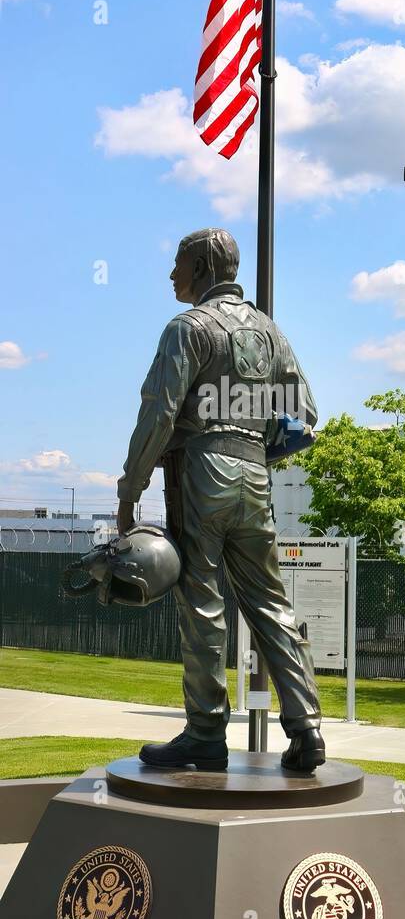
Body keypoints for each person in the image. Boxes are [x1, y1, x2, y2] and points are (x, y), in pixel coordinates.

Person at [117, 227, 325, 773]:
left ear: (205, 267)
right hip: (254, 478)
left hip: (201, 472)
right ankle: (307, 728)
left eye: (179, 264)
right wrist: (257, 448)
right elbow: (307, 416)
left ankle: (206, 733)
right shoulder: (272, 332)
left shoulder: (187, 328)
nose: (171, 275)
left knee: (202, 604)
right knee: (271, 606)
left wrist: (129, 487)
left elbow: (158, 413)